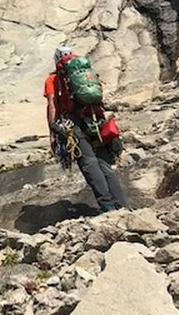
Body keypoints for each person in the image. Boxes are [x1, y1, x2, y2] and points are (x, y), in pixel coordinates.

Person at [44, 45, 125, 212]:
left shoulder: (53, 79)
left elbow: (52, 104)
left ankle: (107, 206)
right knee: (104, 162)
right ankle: (120, 204)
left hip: (73, 123)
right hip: (96, 120)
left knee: (88, 162)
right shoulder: (88, 73)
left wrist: (53, 131)